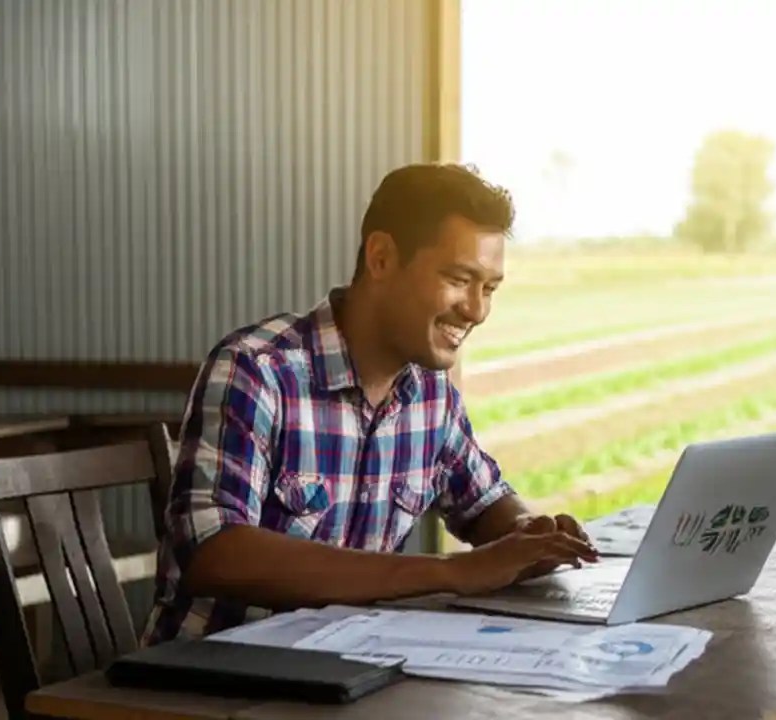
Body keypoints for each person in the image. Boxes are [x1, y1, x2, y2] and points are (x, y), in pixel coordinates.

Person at [144, 163, 599, 645]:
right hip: (204, 687)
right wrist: (451, 570)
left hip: (343, 674)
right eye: (459, 278)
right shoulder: (258, 370)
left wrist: (534, 536)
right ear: (381, 258)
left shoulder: (431, 395)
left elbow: (485, 505)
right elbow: (216, 552)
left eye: (489, 288)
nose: (477, 310)